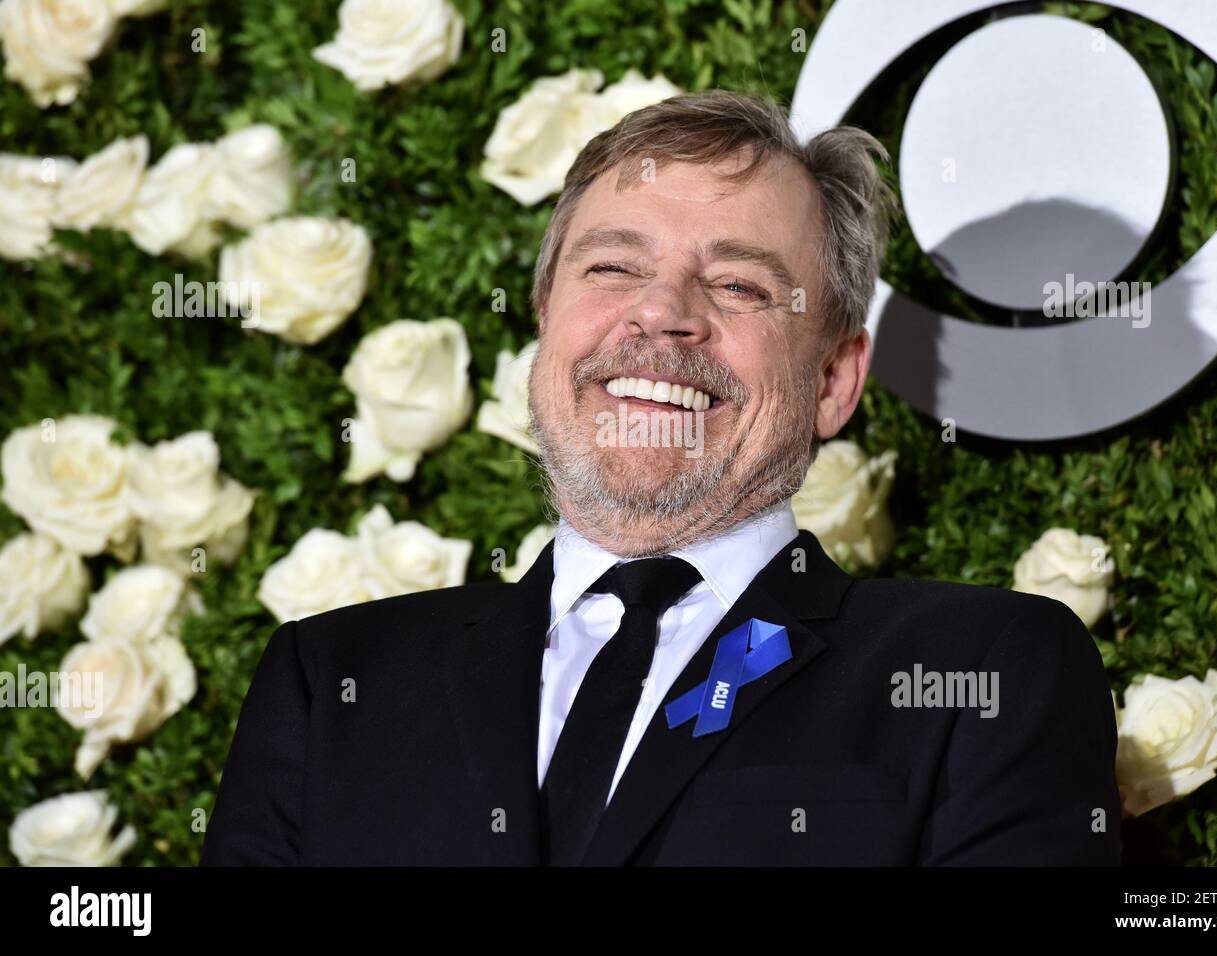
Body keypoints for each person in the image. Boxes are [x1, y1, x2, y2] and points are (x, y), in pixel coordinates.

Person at [202, 89, 1120, 866]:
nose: (660, 314)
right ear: (544, 324)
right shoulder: (330, 683)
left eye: (739, 286)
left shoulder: (979, 671)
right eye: (612, 267)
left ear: (834, 379)